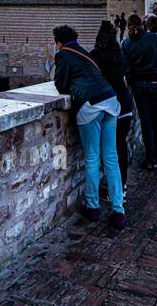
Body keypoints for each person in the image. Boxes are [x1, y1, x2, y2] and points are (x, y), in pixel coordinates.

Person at [51, 25, 126, 229]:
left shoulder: (63, 55)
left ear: (58, 41)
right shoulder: (84, 52)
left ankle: (92, 207)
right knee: (111, 157)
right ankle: (119, 210)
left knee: (93, 157)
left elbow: (60, 85)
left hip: (91, 105)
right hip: (111, 101)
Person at [123, 15, 157, 171]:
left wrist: (133, 84)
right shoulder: (154, 39)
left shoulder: (126, 43)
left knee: (147, 124)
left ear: (128, 26)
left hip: (139, 87)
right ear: (142, 24)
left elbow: (127, 70)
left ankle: (151, 160)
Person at [90, 19, 135, 190]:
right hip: (124, 104)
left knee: (107, 152)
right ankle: (121, 185)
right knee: (120, 147)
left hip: (107, 107)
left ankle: (112, 188)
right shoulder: (120, 56)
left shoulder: (95, 55)